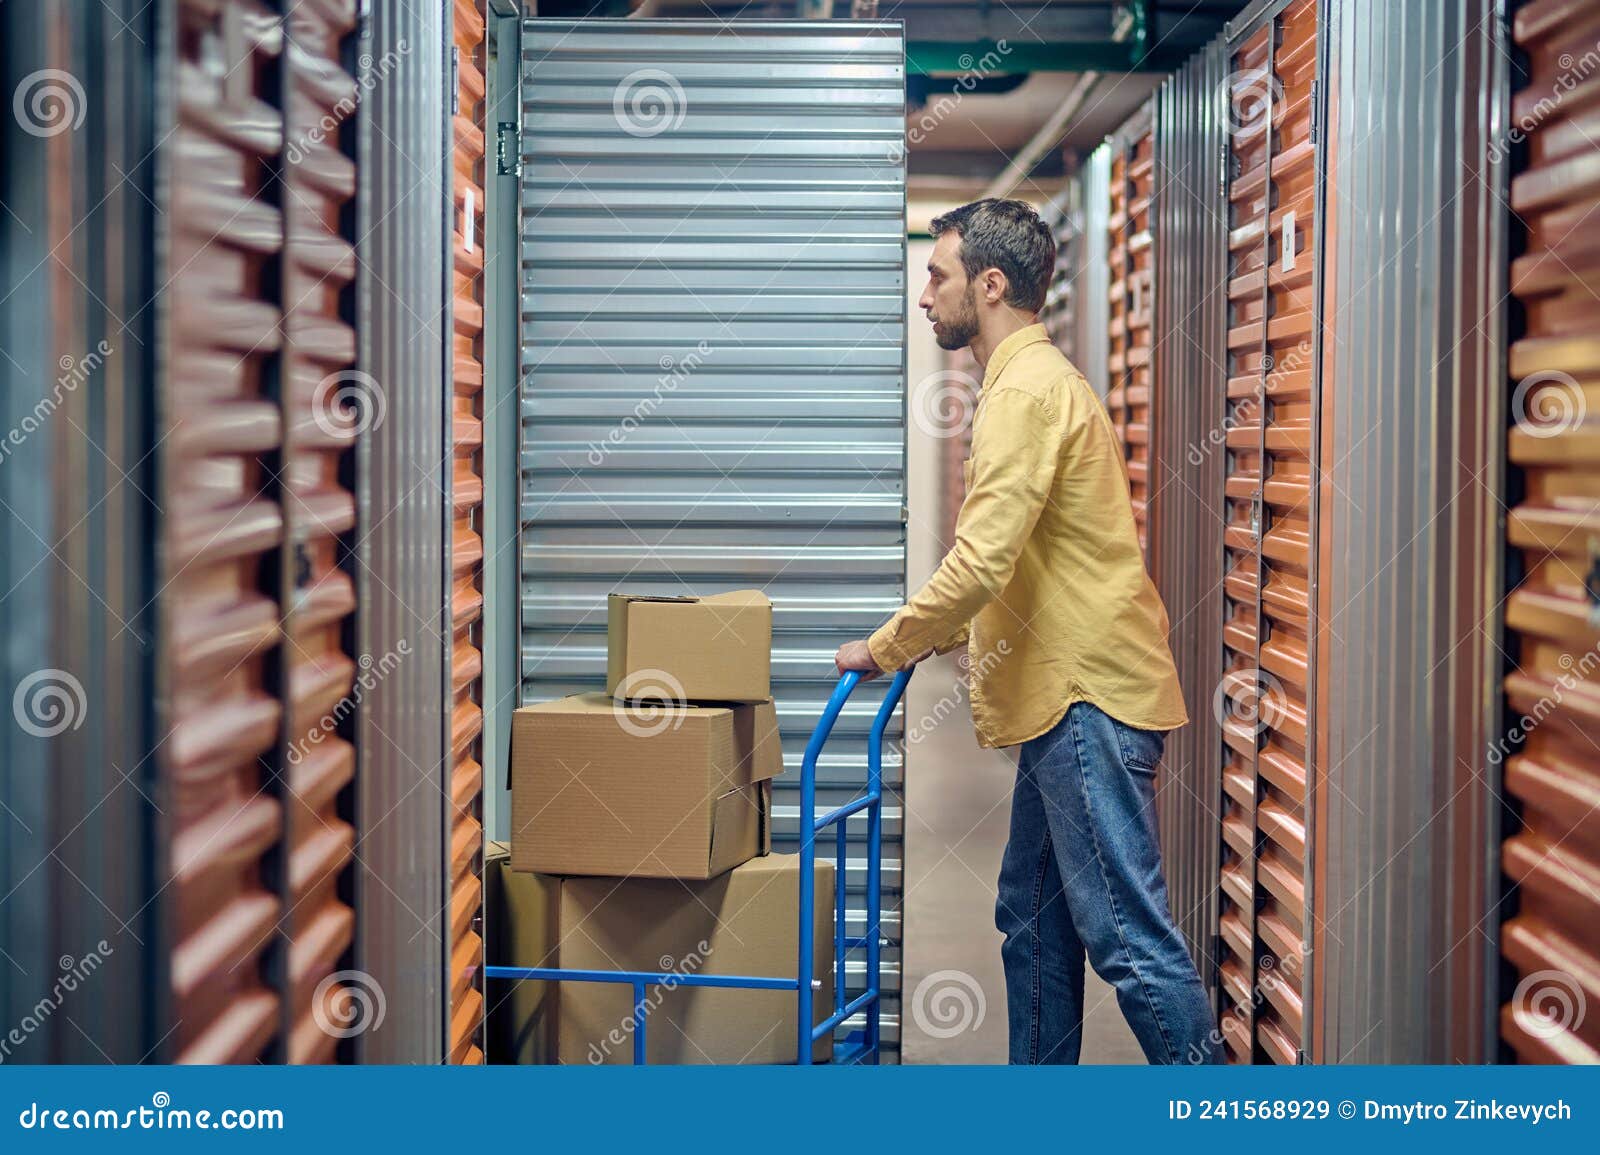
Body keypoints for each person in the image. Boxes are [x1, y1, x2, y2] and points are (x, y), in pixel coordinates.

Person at [833, 198, 1219, 1065]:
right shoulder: (1028, 385)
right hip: (1064, 704)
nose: (924, 295)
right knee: (1032, 921)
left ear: (991, 283)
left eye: (937, 274)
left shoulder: (1027, 393)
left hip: (1086, 699)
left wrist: (886, 643)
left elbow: (981, 562)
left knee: (1126, 937)